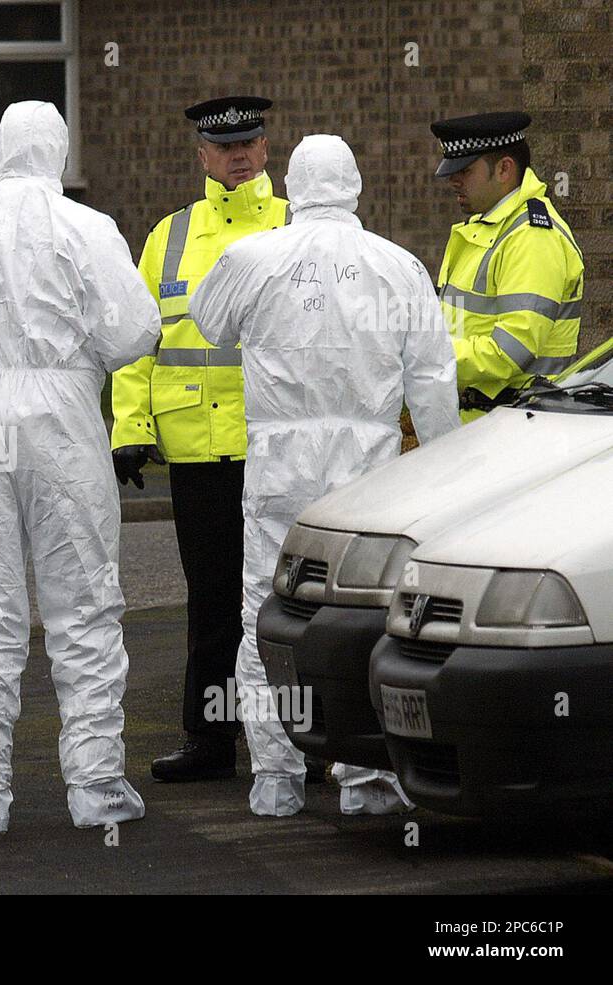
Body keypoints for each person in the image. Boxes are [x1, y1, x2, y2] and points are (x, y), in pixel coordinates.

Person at [0, 102, 161, 833]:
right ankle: (95, 783)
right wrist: (71, 355)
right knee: (82, 598)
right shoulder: (88, 227)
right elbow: (135, 326)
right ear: (58, 151)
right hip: (59, 411)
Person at [188, 134, 461, 816]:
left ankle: (275, 777)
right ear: (355, 185)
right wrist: (451, 476)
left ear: (294, 186)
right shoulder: (398, 267)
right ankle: (365, 776)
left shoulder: (253, 258)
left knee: (264, 612)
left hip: (280, 461)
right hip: (369, 471)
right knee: (367, 614)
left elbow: (206, 320)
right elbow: (432, 383)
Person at [109, 97, 291, 783]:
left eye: (250, 142)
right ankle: (211, 740)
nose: (239, 155)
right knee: (212, 604)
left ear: (267, 149)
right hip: (198, 457)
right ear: (203, 156)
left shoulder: (295, 225)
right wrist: (130, 428)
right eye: (225, 146)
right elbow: (138, 343)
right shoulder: (169, 235)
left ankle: (299, 744)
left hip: (275, 451)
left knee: (282, 605)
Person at [430, 112, 584, 418]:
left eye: (465, 170)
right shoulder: (484, 227)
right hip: (484, 427)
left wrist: (424, 357)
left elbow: (509, 353)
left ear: (504, 169)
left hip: (516, 430)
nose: (453, 180)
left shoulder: (531, 238)